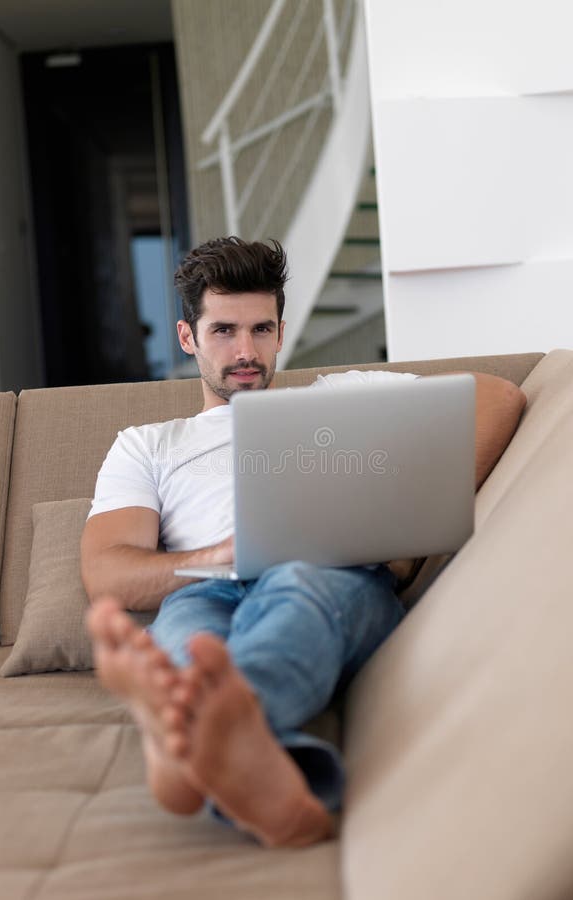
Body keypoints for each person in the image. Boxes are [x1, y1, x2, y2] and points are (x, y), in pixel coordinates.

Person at [81, 236, 526, 847]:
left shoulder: (341, 396)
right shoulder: (148, 444)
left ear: (281, 332)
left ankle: (188, 746)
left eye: (261, 329)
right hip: (208, 590)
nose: (246, 351)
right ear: (187, 337)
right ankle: (258, 770)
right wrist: (219, 555)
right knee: (187, 636)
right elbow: (108, 573)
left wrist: (403, 536)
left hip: (326, 576)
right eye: (223, 331)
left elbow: (497, 398)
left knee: (295, 589)